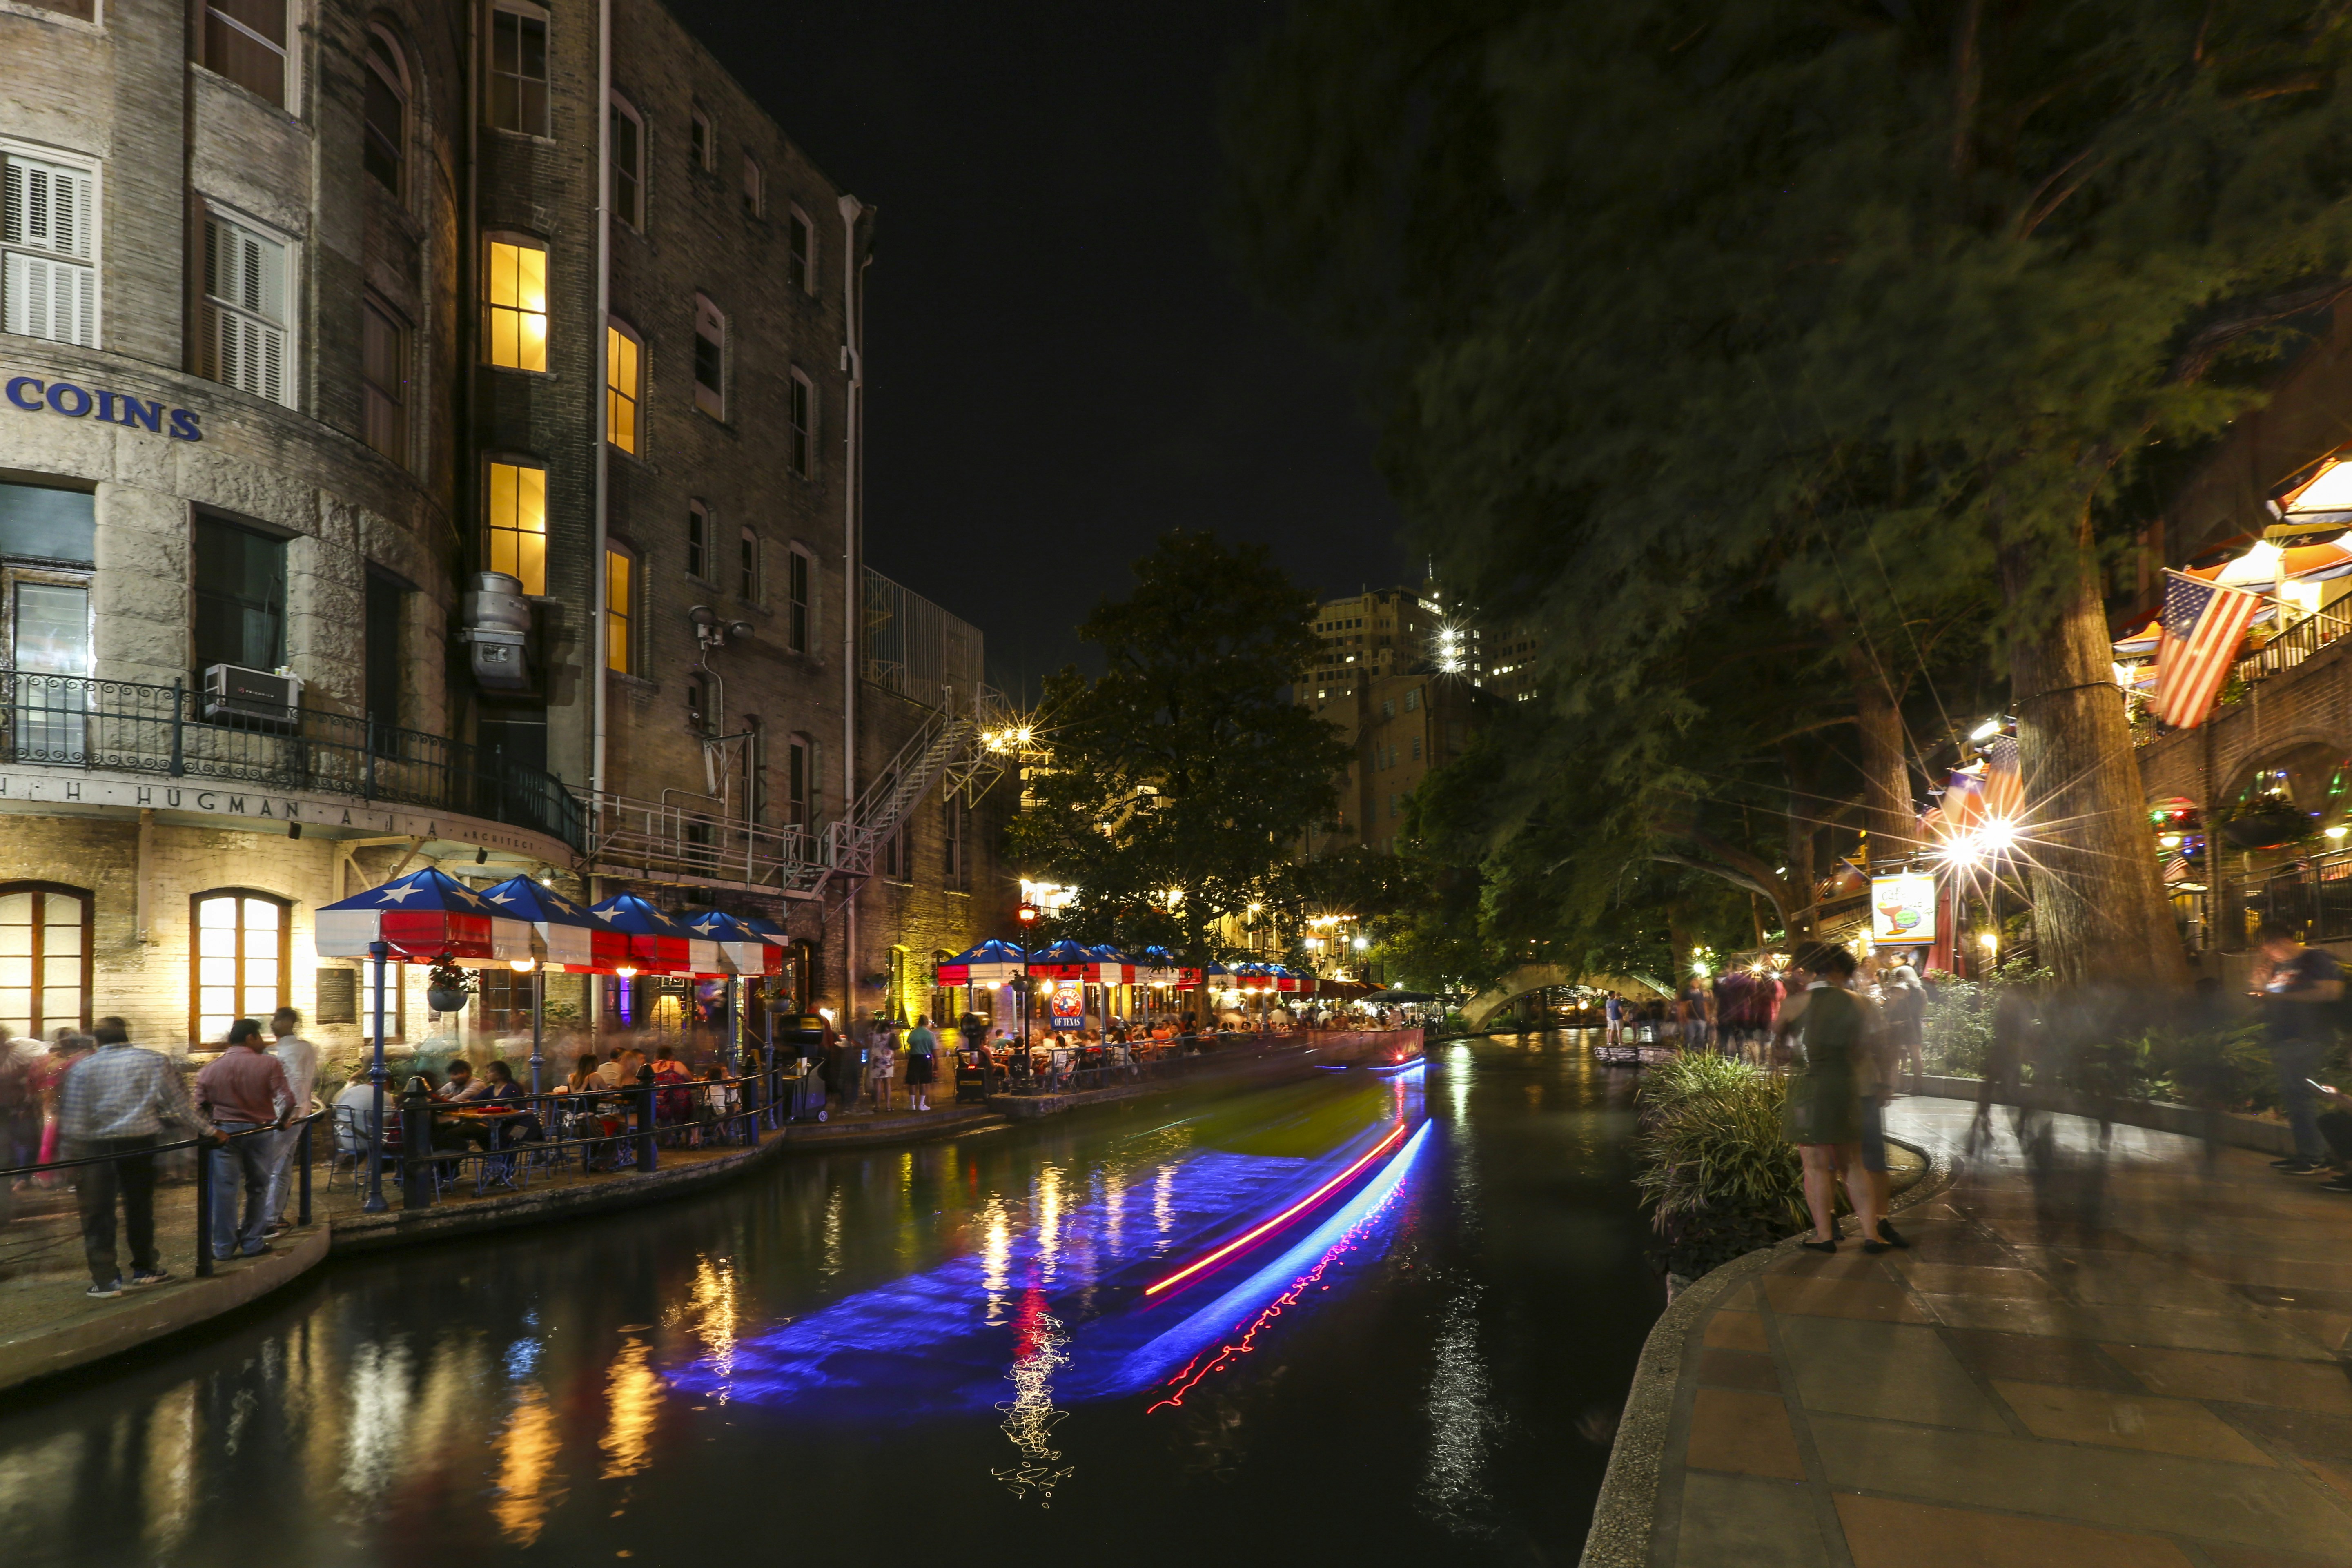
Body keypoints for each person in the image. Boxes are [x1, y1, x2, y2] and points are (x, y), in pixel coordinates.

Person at [58, 1017, 220, 1297]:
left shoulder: (82, 1068)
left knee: (98, 1213)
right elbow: (181, 1106)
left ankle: (107, 1282)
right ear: (126, 1035)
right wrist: (212, 1132)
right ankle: (145, 1269)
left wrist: (68, 1157)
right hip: (140, 1144)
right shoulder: (154, 1061)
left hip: (95, 1148)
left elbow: (73, 1121)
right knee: (140, 1208)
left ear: (97, 1041)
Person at [1778, 944, 1885, 1254]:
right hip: (1845, 1084)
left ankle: (1824, 1236)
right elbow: (1868, 1047)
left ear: (1807, 971)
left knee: (1814, 1165)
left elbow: (1782, 1051)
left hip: (1808, 1088)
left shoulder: (1796, 1003)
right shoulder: (1861, 1003)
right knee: (1853, 1163)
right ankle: (1871, 1235)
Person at [194, 1020, 296, 1261]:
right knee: (258, 1188)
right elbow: (288, 1100)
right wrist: (283, 1120)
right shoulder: (269, 1063)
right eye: (260, 1036)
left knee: (225, 1191)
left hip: (224, 1134)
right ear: (251, 1038)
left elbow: (198, 1106)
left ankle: (222, 1247)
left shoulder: (210, 1069)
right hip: (259, 1132)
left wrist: (210, 1128)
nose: (263, 1041)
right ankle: (252, 1242)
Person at [2256, 922, 2344, 1174]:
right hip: (2285, 1040)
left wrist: (2280, 996)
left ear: (2280, 941)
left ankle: (2314, 1157)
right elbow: (2269, 992)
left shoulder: (2316, 959)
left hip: (2308, 1039)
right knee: (2294, 1098)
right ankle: (2309, 1153)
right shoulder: (2282, 966)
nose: (2267, 954)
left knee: (2301, 1096)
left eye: (2268, 948)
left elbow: (2330, 992)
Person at [261, 1007, 319, 1233]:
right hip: (293, 1113)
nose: (273, 1024)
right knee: (282, 1166)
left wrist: (287, 1114)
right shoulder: (293, 1049)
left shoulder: (295, 1049)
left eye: (277, 1019)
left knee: (274, 1166)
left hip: (286, 1116)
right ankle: (274, 1215)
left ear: (289, 1022)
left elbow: (295, 1083)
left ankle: (268, 1219)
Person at [904, 1015, 938, 1111]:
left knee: (913, 1082)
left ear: (918, 1022)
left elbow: (909, 1045)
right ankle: (921, 1104)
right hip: (926, 1059)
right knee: (924, 1082)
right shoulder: (930, 1035)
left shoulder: (913, 1034)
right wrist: (937, 1063)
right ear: (927, 1023)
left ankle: (912, 1104)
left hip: (914, 1058)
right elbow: (934, 1050)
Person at [866, 1016, 899, 1113]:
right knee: (888, 1083)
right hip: (888, 1059)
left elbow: (868, 1044)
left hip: (876, 1059)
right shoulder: (891, 1033)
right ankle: (888, 1106)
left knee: (877, 1083)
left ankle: (877, 1105)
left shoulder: (871, 1032)